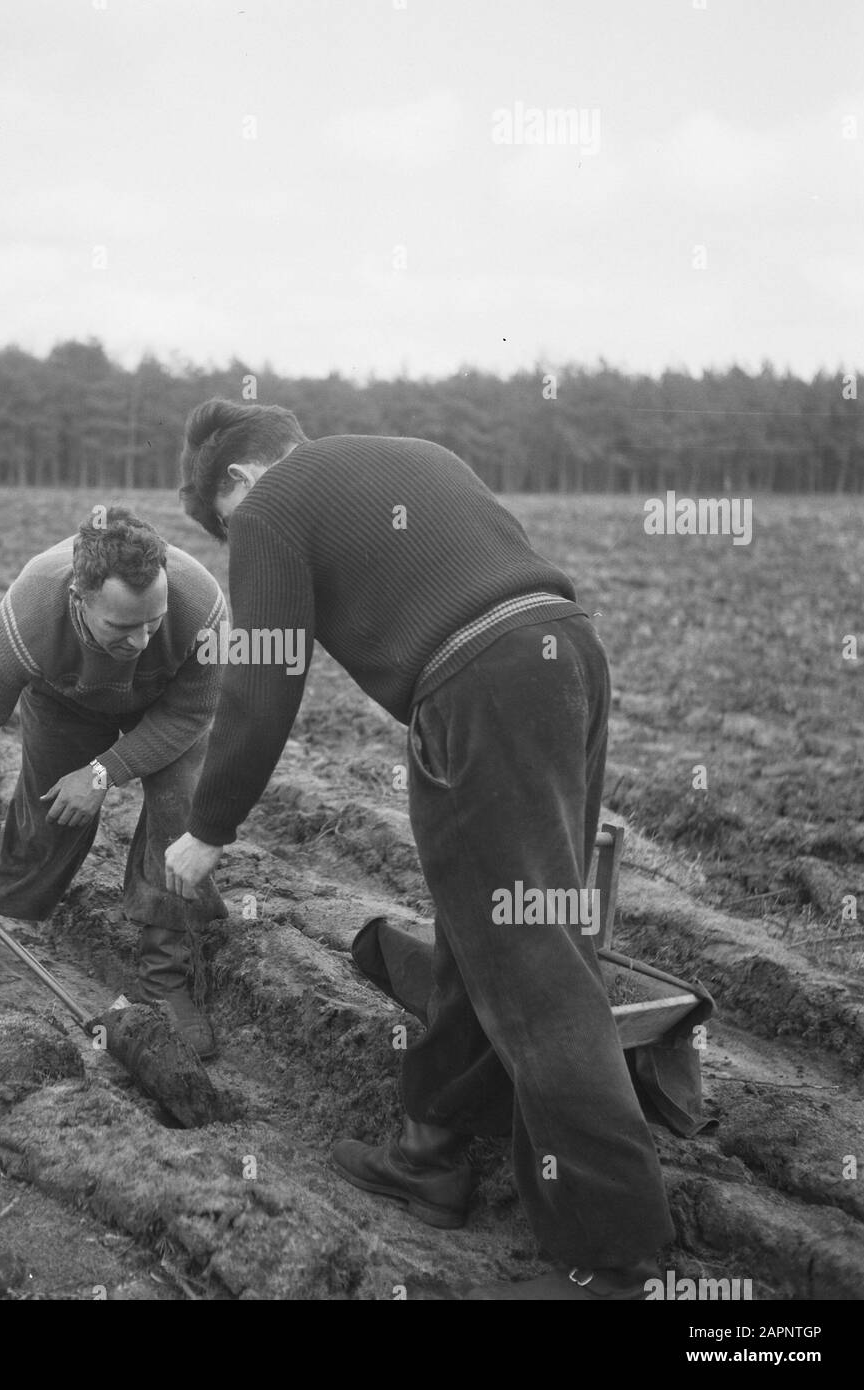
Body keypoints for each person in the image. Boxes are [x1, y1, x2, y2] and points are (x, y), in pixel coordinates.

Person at [164, 400, 675, 1298]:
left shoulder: (272, 504)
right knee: (492, 926)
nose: (237, 539)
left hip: (478, 686)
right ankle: (430, 1152)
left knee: (537, 966)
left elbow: (265, 678)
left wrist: (208, 828)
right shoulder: (413, 451)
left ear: (239, 482)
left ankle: (613, 1258)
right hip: (566, 655)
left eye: (226, 526)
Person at [0, 505, 228, 1057]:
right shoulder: (31, 611)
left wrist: (103, 773)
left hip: (167, 711)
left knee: (181, 819)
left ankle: (164, 978)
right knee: (50, 818)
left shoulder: (202, 607)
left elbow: (192, 715)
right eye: (121, 627)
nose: (141, 640)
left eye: (153, 622)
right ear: (79, 600)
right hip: (65, 700)